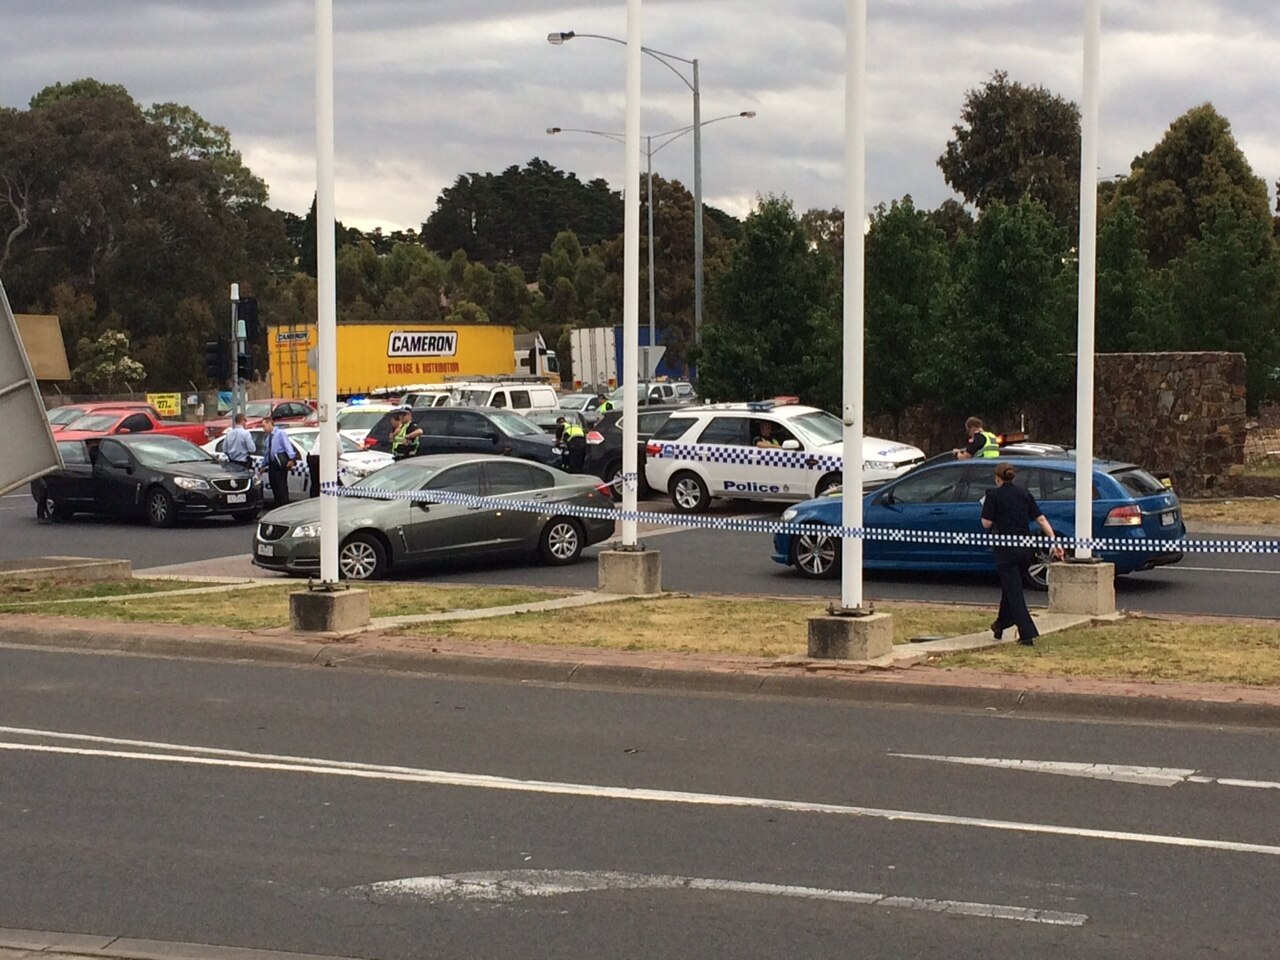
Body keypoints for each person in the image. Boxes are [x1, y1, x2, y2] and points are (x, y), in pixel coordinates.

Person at [980, 463, 1065, 645]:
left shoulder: (992, 495)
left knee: (1015, 592)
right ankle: (1000, 624)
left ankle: (1027, 634)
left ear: (997, 478)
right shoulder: (1024, 494)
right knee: (1010, 588)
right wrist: (1054, 541)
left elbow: (986, 523)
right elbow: (1041, 519)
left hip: (1005, 549)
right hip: (1026, 548)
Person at [261, 416, 299, 507]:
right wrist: (263, 465)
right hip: (272, 465)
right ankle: (277, 504)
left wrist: (291, 459)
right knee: (274, 486)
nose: (263, 429)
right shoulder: (268, 438)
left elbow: (287, 446)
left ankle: (284, 505)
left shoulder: (280, 434)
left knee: (281, 486)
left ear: (270, 423)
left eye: (264, 426)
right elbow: (267, 453)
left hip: (279, 464)